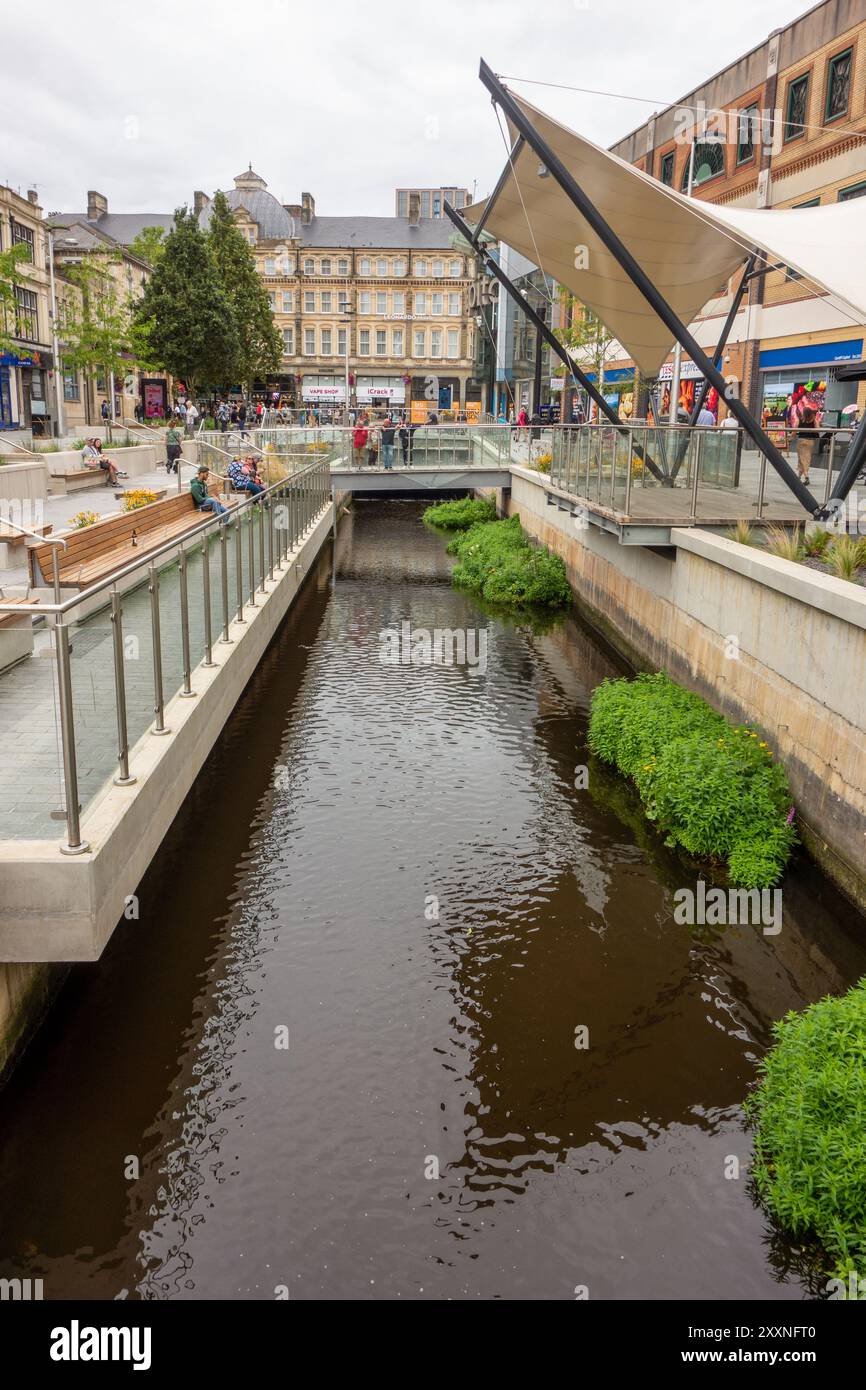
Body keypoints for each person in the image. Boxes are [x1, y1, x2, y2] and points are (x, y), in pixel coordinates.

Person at [795, 405, 818, 485]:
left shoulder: (800, 420)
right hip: (810, 442)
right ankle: (798, 477)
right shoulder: (814, 421)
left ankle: (806, 477)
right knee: (805, 459)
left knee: (802, 459)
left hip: (801, 441)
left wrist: (790, 438)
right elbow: (817, 430)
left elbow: (794, 432)